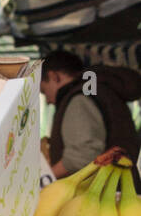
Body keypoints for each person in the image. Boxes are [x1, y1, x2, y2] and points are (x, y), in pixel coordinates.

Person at [40, 49, 141, 177]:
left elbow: (82, 156)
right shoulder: (94, 91)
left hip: (106, 192)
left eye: (44, 91)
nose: (48, 101)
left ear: (54, 76)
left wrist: (43, 181)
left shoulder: (79, 99)